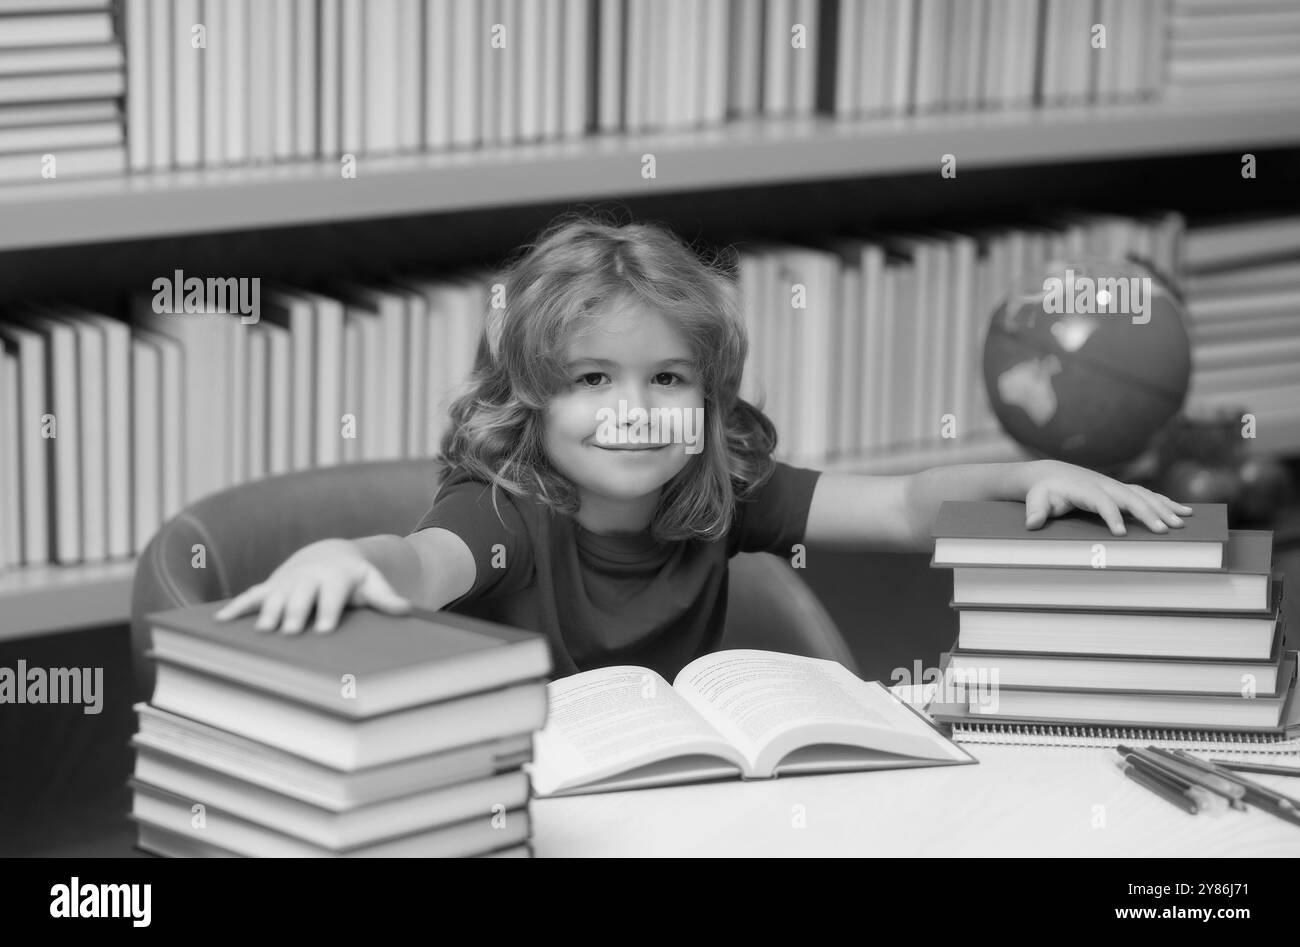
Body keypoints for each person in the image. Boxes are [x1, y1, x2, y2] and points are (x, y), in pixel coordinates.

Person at [215, 213, 1192, 680]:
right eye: (590, 379)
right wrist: (352, 558)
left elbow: (899, 506)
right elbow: (422, 561)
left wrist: (1027, 473)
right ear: (530, 399)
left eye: (667, 378)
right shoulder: (505, 507)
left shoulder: (723, 487)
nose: (631, 410)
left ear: (706, 399)